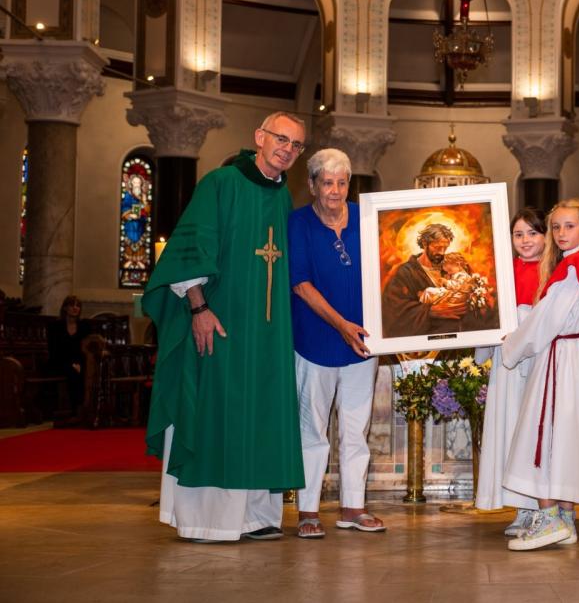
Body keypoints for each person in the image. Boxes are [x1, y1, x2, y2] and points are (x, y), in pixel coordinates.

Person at [144, 111, 306, 543]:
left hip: (267, 333)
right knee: (219, 412)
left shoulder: (281, 197)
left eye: (296, 145)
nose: (287, 149)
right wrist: (199, 309)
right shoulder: (221, 184)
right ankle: (207, 519)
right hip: (222, 324)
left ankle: (255, 516)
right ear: (259, 137)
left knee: (260, 414)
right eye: (281, 139)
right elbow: (188, 249)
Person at [502, 199, 579, 551]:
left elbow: (544, 320)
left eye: (569, 226)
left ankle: (549, 520)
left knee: (545, 434)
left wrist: (512, 345)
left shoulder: (570, 268)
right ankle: (566, 518)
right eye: (556, 227)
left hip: (558, 358)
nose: (562, 233)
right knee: (567, 436)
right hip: (572, 355)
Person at [288, 148, 385, 540]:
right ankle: (308, 510)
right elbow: (300, 283)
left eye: (342, 182)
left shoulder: (367, 217)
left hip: (362, 343)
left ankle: (353, 507)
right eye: (327, 182)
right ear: (312, 185)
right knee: (313, 428)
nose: (335, 190)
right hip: (314, 341)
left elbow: (390, 266)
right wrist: (341, 324)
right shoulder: (298, 223)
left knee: (356, 428)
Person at [475, 208, 547, 536]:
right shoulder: (502, 274)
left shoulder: (554, 273)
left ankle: (540, 507)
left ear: (546, 236)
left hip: (538, 362)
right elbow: (488, 315)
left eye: (532, 233)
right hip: (506, 363)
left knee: (534, 433)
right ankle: (521, 507)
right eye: (518, 234)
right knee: (509, 430)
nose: (525, 241)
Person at [382, 223, 467, 337]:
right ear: (425, 243)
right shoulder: (406, 272)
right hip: (425, 341)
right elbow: (394, 311)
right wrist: (430, 311)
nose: (442, 252)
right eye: (437, 247)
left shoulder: (452, 267)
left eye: (445, 248)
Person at [47, 295, 89, 421]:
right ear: (65, 308)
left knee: (83, 371)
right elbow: (54, 351)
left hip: (79, 362)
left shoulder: (84, 326)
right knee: (73, 372)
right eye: (72, 305)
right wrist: (71, 364)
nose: (75, 308)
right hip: (59, 362)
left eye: (78, 306)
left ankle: (83, 408)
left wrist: (79, 363)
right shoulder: (55, 326)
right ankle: (76, 409)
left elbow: (85, 350)